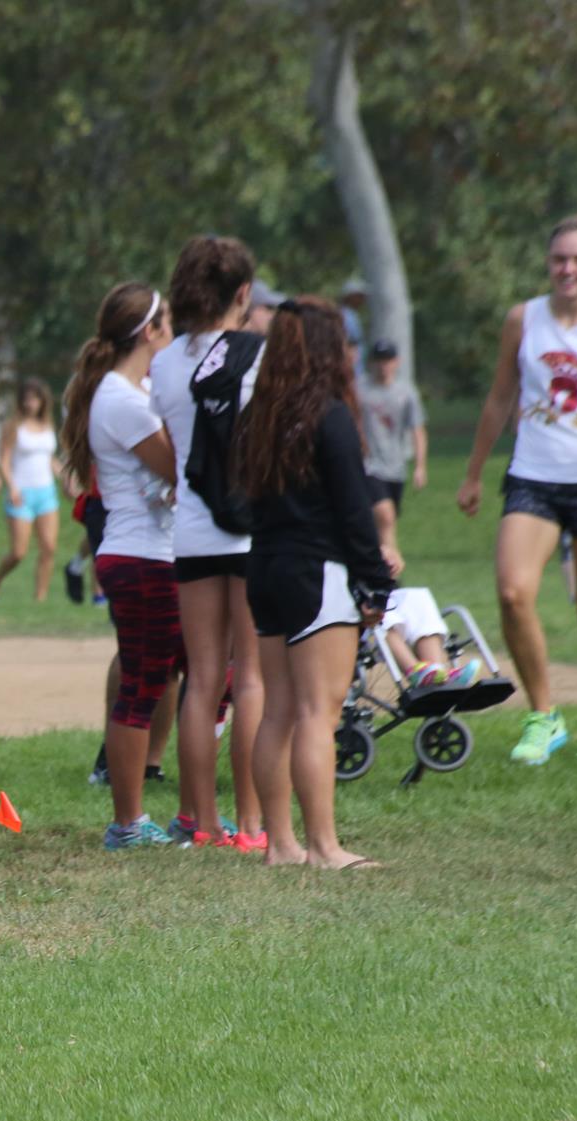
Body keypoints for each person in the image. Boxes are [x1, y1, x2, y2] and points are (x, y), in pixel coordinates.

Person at [458, 214, 577, 765]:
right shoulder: (524, 318)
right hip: (533, 477)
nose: (568, 269)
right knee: (513, 593)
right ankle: (544, 716)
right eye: (559, 259)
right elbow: (498, 399)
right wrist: (472, 472)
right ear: (548, 262)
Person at [236, 297, 395, 869]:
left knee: (277, 710)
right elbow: (355, 512)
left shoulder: (259, 415)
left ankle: (280, 845)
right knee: (316, 714)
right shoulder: (329, 416)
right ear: (331, 352)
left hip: (266, 567)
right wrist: (377, 584)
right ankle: (324, 847)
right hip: (316, 572)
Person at [152, 235, 266, 852]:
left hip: (191, 529)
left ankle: (203, 824)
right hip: (250, 531)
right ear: (242, 293)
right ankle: (251, 825)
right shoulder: (260, 355)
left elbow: (175, 446)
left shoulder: (166, 362)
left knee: (202, 678)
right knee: (249, 677)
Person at [59, 282, 182, 849]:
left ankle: (163, 816)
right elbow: (181, 470)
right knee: (141, 684)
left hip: (145, 553)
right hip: (140, 558)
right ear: (151, 332)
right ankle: (128, 824)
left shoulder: (130, 389)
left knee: (176, 675)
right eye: (170, 324)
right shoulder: (124, 399)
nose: (176, 333)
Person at [0, 377, 62, 602]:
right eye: (26, 399)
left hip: (46, 493)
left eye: (34, 399)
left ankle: (40, 598)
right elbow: (4, 461)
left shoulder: (47, 425)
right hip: (22, 493)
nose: (30, 404)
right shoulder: (14, 426)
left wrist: (64, 476)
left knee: (49, 547)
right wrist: (13, 488)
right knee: (19, 551)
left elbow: (49, 457)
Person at [358, 338, 429, 574]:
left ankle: (380, 569)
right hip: (368, 465)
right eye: (378, 361)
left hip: (395, 467)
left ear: (396, 362)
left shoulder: (405, 393)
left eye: (387, 360)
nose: (383, 366)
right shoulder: (360, 390)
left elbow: (417, 429)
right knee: (385, 516)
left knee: (384, 524)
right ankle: (391, 571)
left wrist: (420, 466)